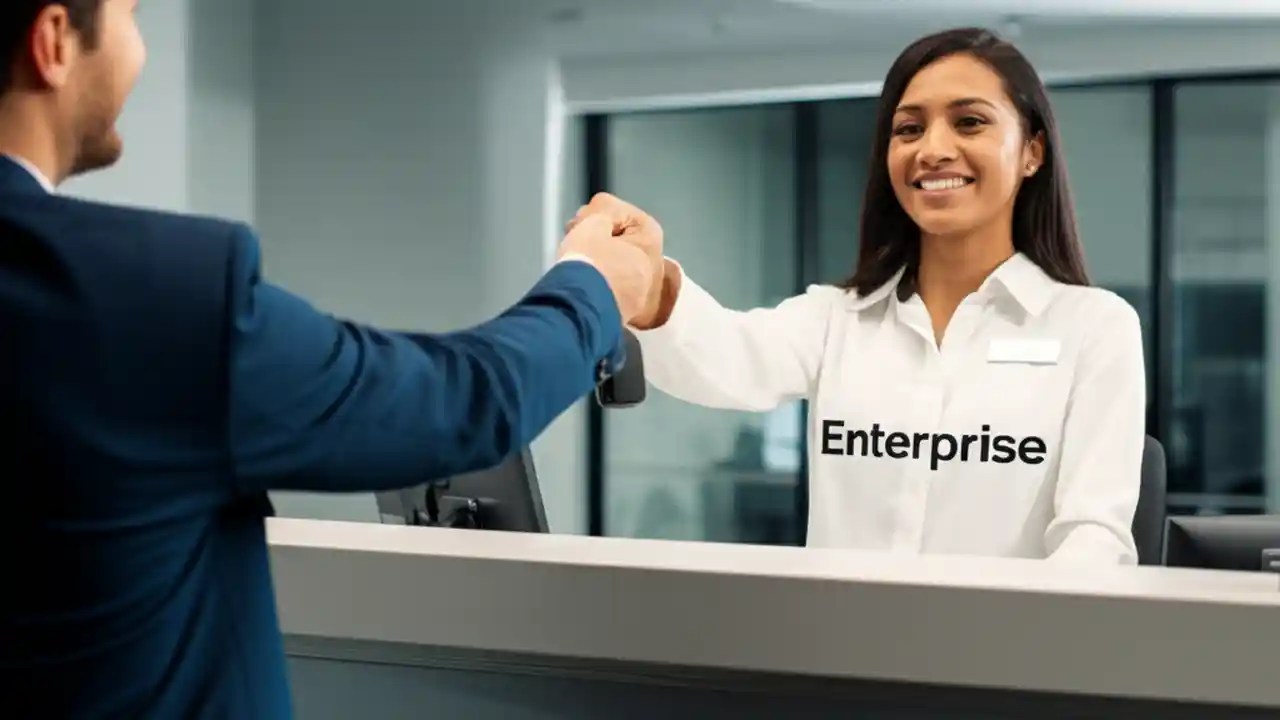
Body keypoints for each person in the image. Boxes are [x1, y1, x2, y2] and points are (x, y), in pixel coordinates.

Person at [0, 1, 659, 718]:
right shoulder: (152, 295)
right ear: (54, 41)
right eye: (131, 14)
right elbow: (464, 402)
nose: (141, 52)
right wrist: (591, 285)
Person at [574, 27, 1146, 565]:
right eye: (908, 129)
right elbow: (726, 359)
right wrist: (649, 282)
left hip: (1006, 660)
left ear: (1032, 152)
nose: (933, 150)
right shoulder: (836, 320)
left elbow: (1093, 536)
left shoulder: (1093, 327)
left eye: (969, 122)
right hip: (839, 657)